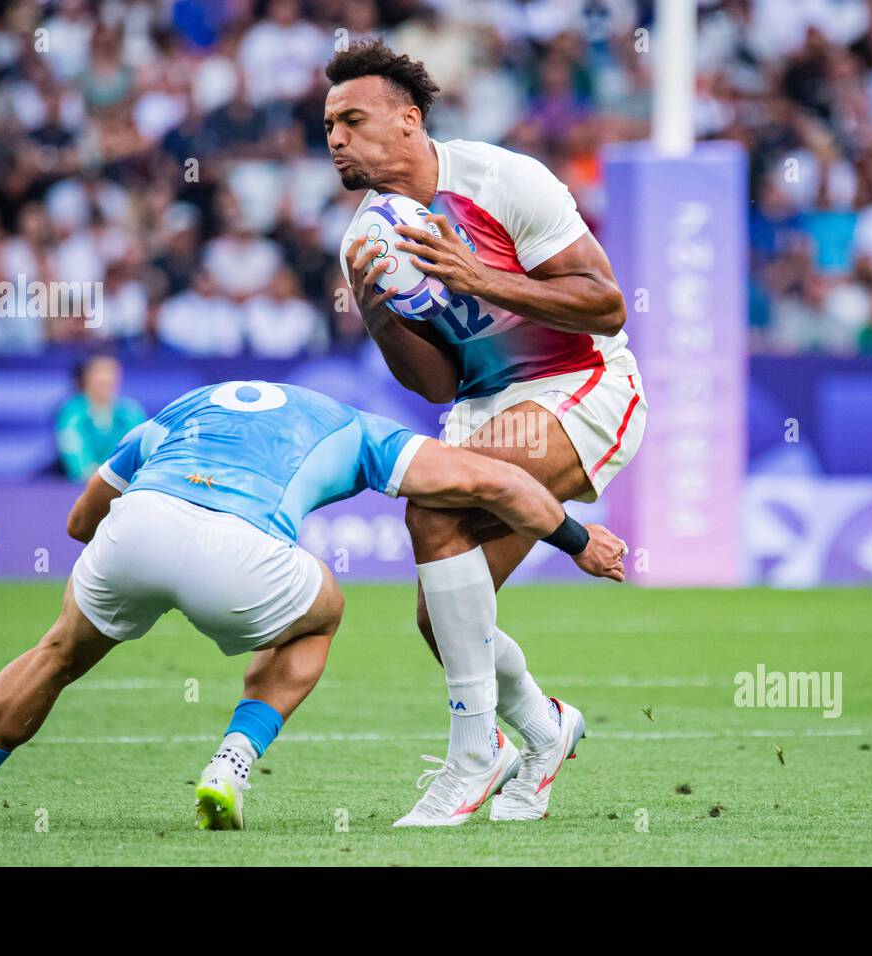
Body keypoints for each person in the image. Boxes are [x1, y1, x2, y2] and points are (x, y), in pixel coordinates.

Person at [0, 380, 626, 833]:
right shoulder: (356, 427)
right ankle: (230, 762)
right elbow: (493, 485)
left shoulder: (181, 411)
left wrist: (143, 565)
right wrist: (575, 539)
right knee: (324, 609)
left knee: (56, 654)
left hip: (137, 526)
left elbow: (78, 522)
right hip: (240, 555)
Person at [327, 40, 646, 824]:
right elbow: (437, 381)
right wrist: (376, 316)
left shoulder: (504, 179)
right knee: (442, 621)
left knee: (431, 505)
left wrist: (479, 278)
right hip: (481, 405)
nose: (334, 137)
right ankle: (543, 732)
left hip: (581, 386)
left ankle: (471, 756)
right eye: (328, 124)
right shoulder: (364, 241)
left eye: (351, 119)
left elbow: (606, 303)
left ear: (408, 122)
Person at [55, 355, 146, 480]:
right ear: (85, 376)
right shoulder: (71, 411)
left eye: (111, 371)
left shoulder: (131, 411)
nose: (106, 379)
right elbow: (77, 465)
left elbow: (140, 456)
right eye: (99, 372)